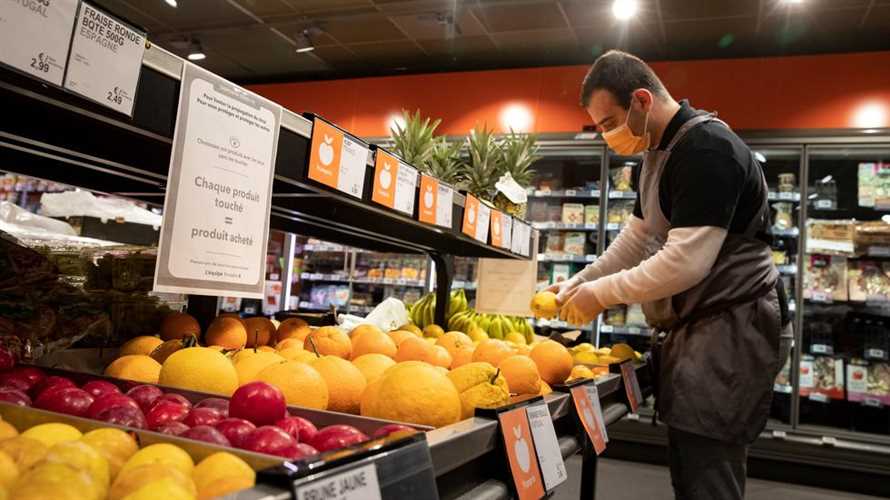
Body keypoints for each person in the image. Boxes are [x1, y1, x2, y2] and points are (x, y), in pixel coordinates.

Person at [549, 50, 793, 500]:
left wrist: (601, 295)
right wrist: (582, 280)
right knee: (689, 463)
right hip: (698, 327)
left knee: (709, 470)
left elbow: (686, 262)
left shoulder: (707, 149)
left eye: (608, 123)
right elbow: (638, 238)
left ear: (641, 100)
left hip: (733, 329)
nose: (606, 137)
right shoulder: (654, 155)